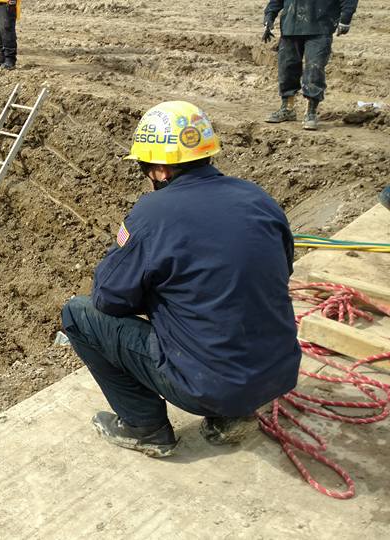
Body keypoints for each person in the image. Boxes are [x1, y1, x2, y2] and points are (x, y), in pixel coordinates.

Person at [60, 101, 300, 458]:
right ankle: (232, 417)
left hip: (207, 385)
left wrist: (157, 296)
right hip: (278, 372)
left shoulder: (153, 214)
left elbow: (108, 299)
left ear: (157, 168)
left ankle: (145, 427)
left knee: (78, 315)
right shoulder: (257, 197)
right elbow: (281, 268)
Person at [263, 0, 358, 130]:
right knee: (286, 68)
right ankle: (287, 108)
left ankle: (311, 112)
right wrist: (269, 16)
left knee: (314, 69)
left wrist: (345, 18)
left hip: (320, 27)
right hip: (290, 27)